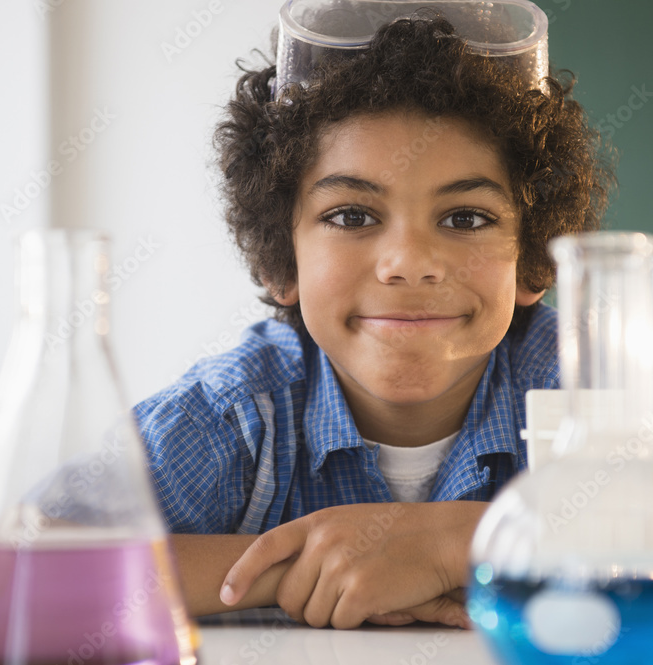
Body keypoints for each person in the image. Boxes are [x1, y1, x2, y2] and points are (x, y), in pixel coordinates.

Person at [134, 9, 611, 629]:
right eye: (352, 216)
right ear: (284, 262)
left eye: (465, 218)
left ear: (533, 261)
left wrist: (457, 543)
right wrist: (325, 565)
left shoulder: (593, 390)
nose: (409, 265)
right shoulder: (236, 416)